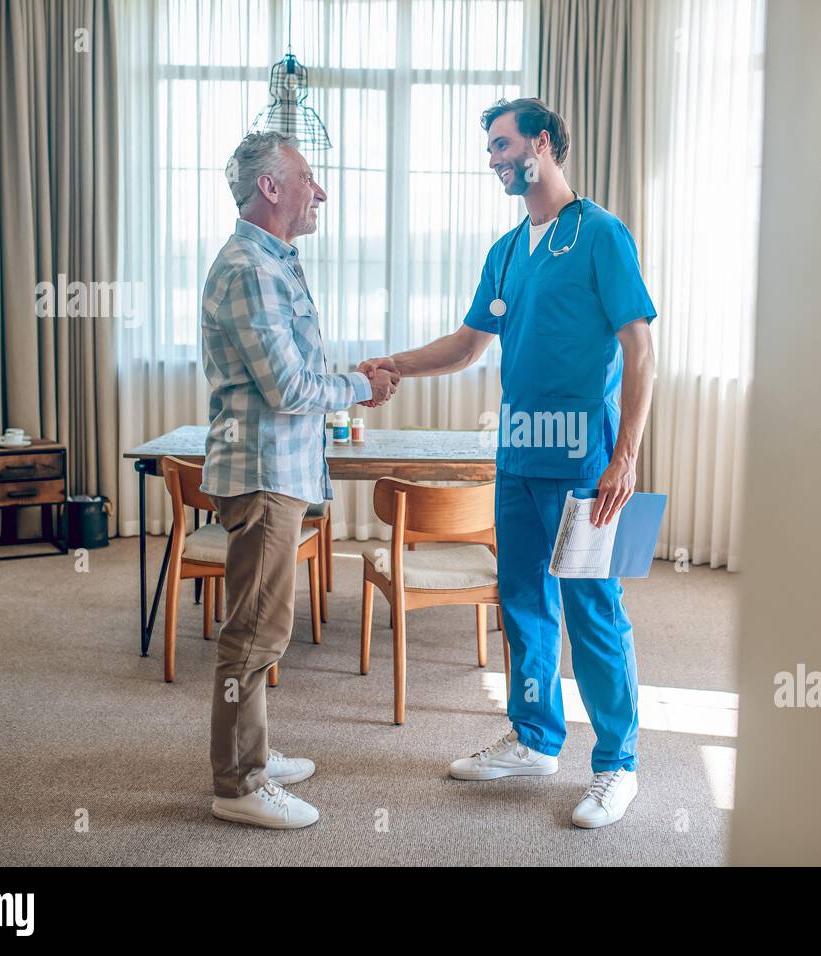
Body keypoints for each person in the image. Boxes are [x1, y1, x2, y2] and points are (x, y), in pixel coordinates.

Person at [359, 98, 657, 829]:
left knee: (594, 611)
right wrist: (392, 364)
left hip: (586, 458)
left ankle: (618, 764)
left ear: (544, 144)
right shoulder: (505, 249)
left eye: (502, 144)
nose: (492, 157)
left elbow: (641, 349)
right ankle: (534, 740)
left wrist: (626, 458)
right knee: (522, 606)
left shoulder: (601, 235)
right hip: (518, 457)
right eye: (489, 147)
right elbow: (466, 347)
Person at [201, 131, 396, 829]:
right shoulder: (251, 266)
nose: (321, 192)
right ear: (272, 188)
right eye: (308, 179)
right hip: (261, 473)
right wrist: (359, 384)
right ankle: (239, 782)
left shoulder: (272, 260)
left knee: (268, 625)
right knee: (254, 631)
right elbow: (287, 386)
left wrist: (352, 383)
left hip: (275, 469)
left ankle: (251, 750)